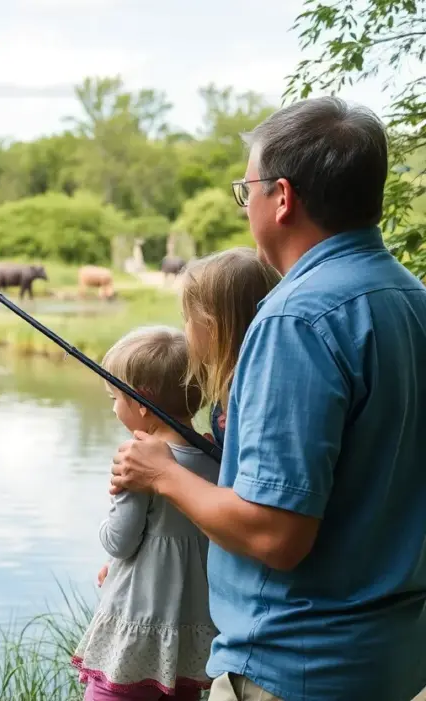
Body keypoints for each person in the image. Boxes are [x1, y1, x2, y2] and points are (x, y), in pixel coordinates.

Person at [110, 96, 426, 701]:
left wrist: (163, 474)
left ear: (281, 198)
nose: (245, 204)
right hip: (394, 659)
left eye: (246, 190)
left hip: (297, 667)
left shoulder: (296, 320)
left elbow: (275, 535)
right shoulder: (411, 298)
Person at [72, 326, 220, 701]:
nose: (113, 408)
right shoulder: (215, 457)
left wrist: (107, 531)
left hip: (137, 626)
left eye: (115, 398)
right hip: (187, 635)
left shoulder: (139, 460)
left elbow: (119, 541)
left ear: (142, 401)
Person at [178, 248, 281, 448]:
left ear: (213, 327)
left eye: (188, 318)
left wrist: (166, 465)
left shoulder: (253, 395)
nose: (185, 327)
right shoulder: (240, 382)